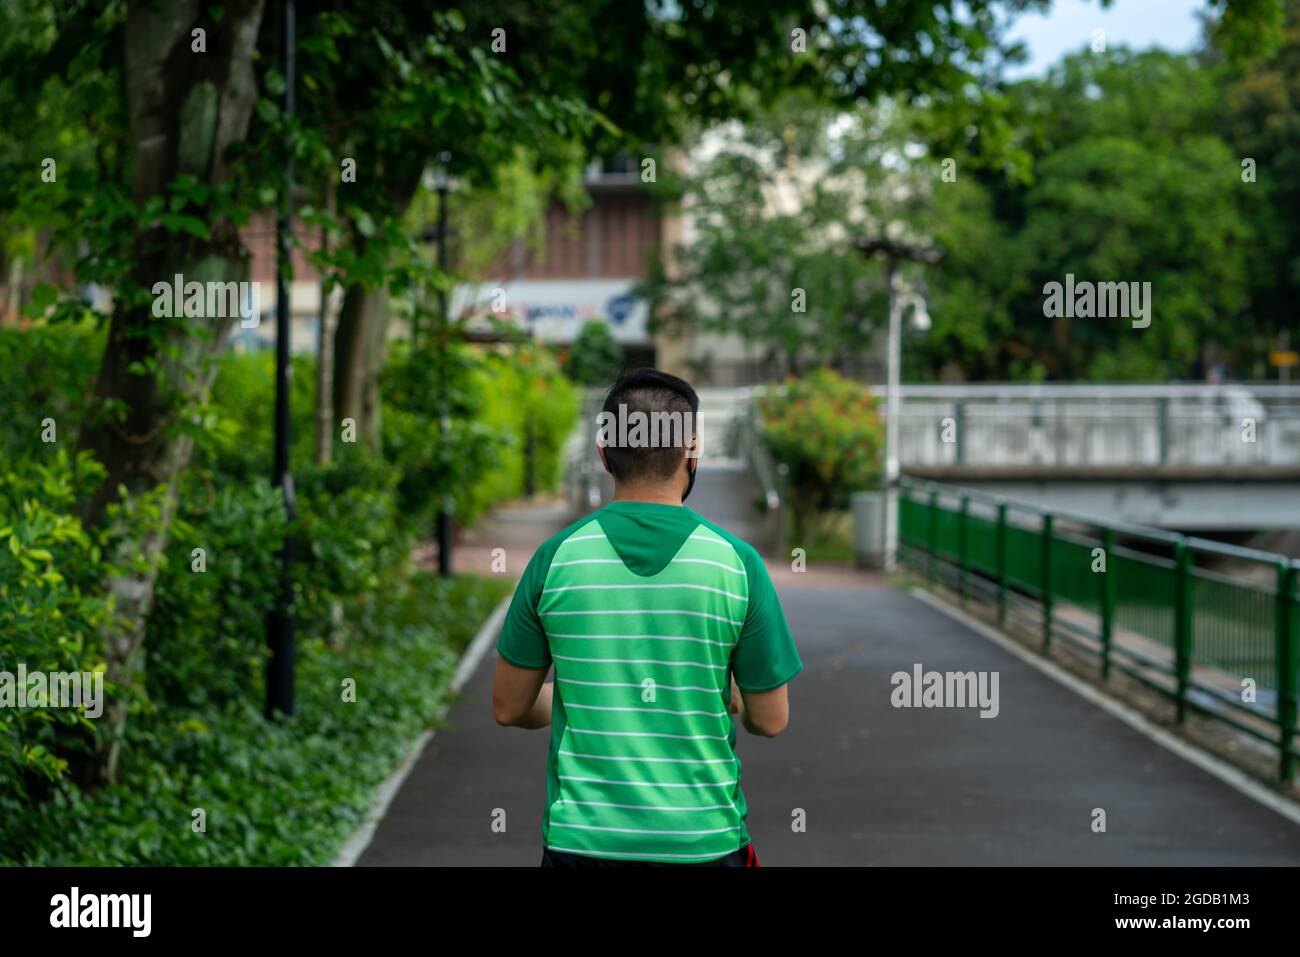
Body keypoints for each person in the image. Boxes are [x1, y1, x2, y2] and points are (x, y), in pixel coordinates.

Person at [492, 368, 802, 866]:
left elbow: (509, 706)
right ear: (691, 454)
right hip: (705, 842)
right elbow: (771, 718)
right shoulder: (737, 564)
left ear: (603, 454)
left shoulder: (555, 559)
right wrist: (721, 694)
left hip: (582, 845)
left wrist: (588, 695)